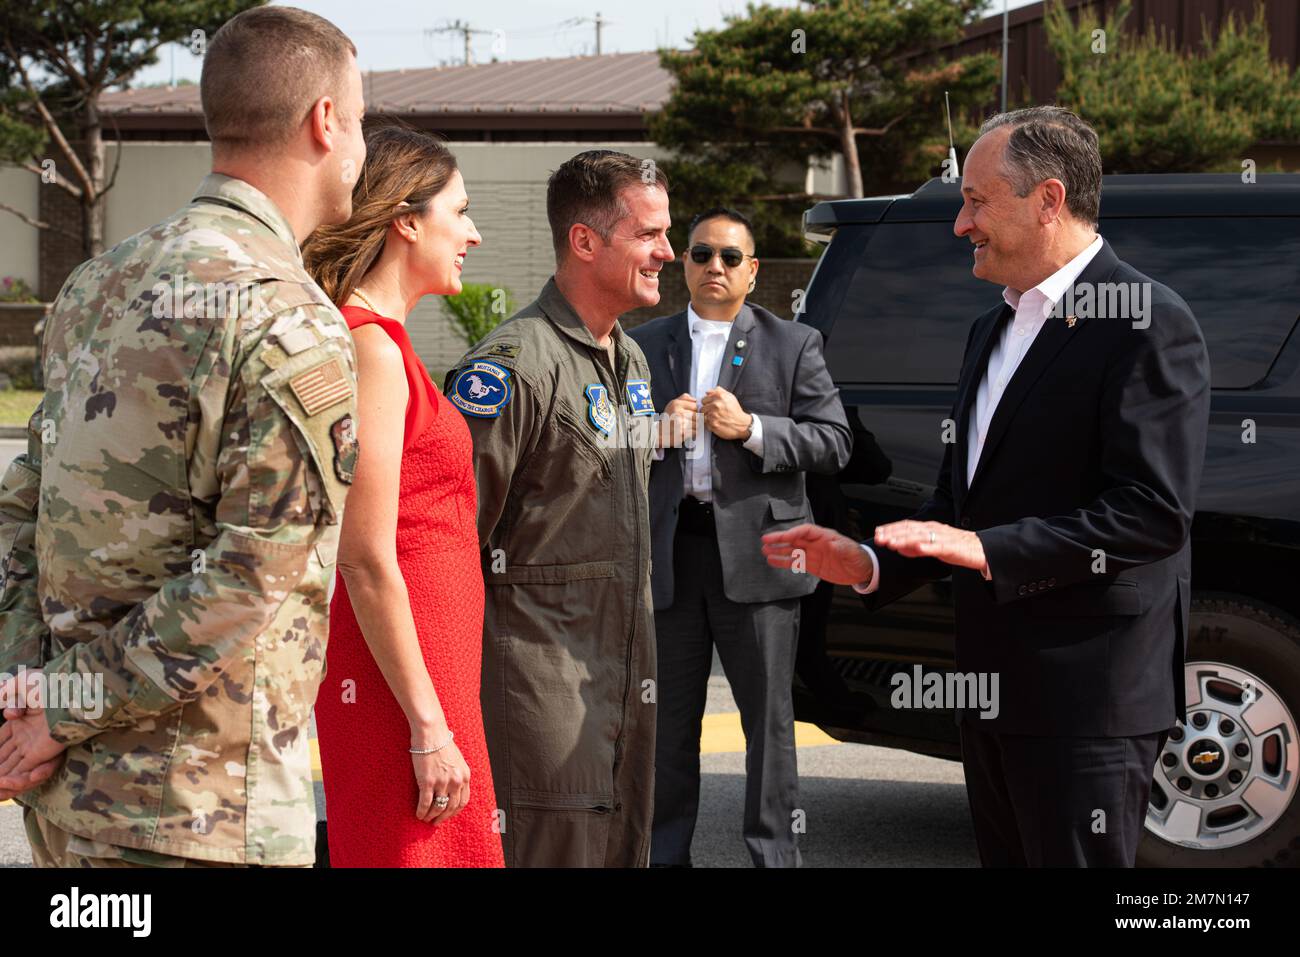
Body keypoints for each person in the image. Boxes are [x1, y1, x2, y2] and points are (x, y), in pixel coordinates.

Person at [764, 106, 1211, 867]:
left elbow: (1150, 512)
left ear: (1048, 198)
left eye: (976, 200)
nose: (959, 224)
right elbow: (957, 505)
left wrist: (984, 546)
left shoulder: (1145, 322)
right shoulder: (990, 328)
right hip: (990, 694)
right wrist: (871, 561)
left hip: (1086, 703)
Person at [0, 5, 365, 867]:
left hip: (70, 805)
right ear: (323, 122)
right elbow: (251, 575)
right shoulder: (290, 315)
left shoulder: (99, 281)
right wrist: (53, 706)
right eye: (359, 119)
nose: (361, 145)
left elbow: (24, 505)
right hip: (198, 814)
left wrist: (27, 694)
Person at [443, 150, 671, 867]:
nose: (668, 251)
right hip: (539, 693)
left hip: (623, 678)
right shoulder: (511, 367)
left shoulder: (628, 360)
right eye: (648, 234)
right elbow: (447, 545)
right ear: (585, 241)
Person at [303, 125, 503, 867]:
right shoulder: (371, 347)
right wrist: (427, 723)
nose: (474, 234)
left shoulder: (384, 339)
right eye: (461, 211)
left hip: (423, 662)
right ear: (407, 220)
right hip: (400, 677)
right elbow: (362, 553)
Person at [628, 207, 850, 867]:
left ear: (753, 271)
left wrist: (753, 428)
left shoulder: (793, 343)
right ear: (684, 265)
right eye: (701, 254)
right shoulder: (642, 345)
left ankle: (773, 855)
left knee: (768, 725)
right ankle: (664, 855)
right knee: (666, 727)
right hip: (672, 556)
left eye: (730, 257)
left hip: (761, 558)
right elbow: (606, 440)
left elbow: (834, 441)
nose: (714, 267)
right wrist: (650, 430)